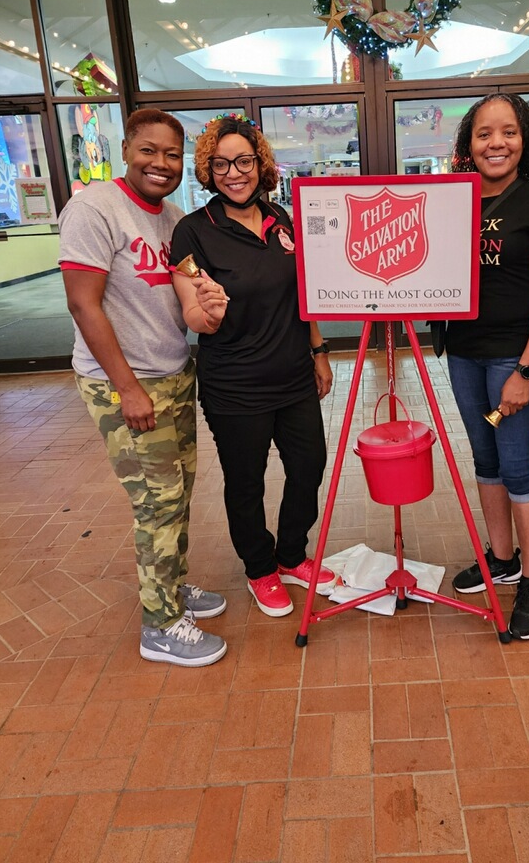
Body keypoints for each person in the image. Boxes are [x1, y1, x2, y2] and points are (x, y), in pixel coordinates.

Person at [58, 108, 227, 668]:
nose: (160, 163)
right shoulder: (94, 208)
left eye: (172, 154)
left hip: (175, 373)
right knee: (158, 502)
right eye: (148, 150)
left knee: (181, 489)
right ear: (125, 148)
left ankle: (173, 589)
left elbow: (184, 295)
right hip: (124, 384)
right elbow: (84, 303)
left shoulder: (172, 218)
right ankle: (159, 625)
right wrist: (128, 388)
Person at [169, 114, 335, 618]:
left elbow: (304, 297)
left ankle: (291, 555)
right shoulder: (193, 232)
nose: (233, 173)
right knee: (246, 482)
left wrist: (319, 351)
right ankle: (260, 568)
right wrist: (210, 315)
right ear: (208, 170)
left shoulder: (281, 219)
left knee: (309, 465)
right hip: (235, 385)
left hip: (293, 375)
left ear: (260, 165)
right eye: (220, 164)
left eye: (243, 161)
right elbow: (192, 312)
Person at [447, 94, 529, 640]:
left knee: (518, 463)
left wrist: (524, 371)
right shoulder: (456, 201)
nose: (495, 143)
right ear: (468, 145)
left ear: (526, 140)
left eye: (508, 132)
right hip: (464, 354)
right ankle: (500, 558)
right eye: (483, 134)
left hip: (514, 358)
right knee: (484, 457)